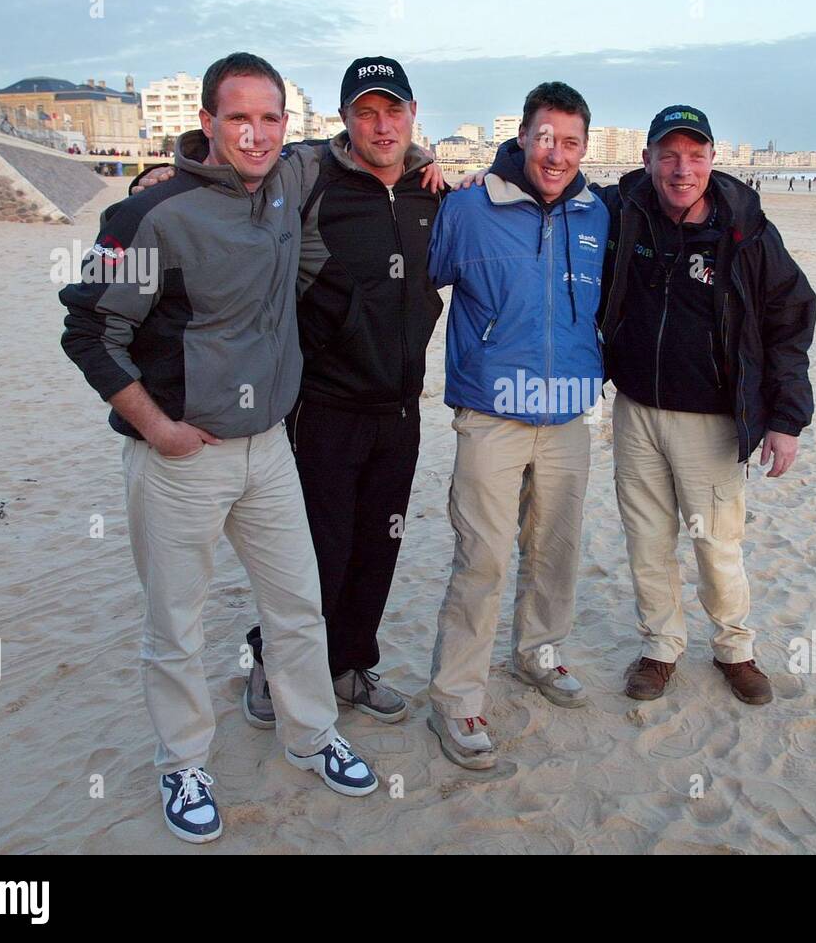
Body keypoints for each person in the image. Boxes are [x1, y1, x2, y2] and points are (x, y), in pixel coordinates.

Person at [59, 52, 379, 845]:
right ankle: (183, 763)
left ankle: (309, 734)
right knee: (176, 622)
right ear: (206, 122)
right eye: (238, 117)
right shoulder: (150, 215)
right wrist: (155, 425)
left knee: (298, 606)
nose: (257, 133)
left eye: (271, 117)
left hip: (268, 446)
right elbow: (88, 328)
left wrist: (430, 158)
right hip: (180, 453)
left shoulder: (288, 180)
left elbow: (353, 148)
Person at [127, 58, 447, 727]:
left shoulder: (433, 191)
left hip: (399, 406)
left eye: (393, 111)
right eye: (366, 111)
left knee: (377, 548)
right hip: (321, 404)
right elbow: (225, 172)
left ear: (414, 115)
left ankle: (351, 665)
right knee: (314, 559)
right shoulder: (308, 176)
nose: (381, 124)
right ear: (344, 120)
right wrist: (158, 174)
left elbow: (510, 181)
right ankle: (270, 665)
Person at [593, 106, 816, 704]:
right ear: (646, 161)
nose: (681, 168)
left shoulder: (745, 231)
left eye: (694, 155)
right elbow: (550, 186)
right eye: (668, 155)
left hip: (713, 420)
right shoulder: (623, 211)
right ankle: (660, 647)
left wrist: (786, 419)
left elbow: (790, 317)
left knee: (717, 543)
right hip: (636, 409)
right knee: (646, 540)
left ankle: (734, 649)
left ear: (713, 160)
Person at [426, 82, 610, 770]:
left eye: (569, 141)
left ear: (585, 147)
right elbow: (414, 268)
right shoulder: (471, 207)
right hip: (490, 413)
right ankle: (455, 696)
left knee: (553, 549)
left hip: (568, 414)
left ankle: (539, 652)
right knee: (483, 556)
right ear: (522, 138)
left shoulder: (599, 214)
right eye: (544, 137)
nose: (555, 152)